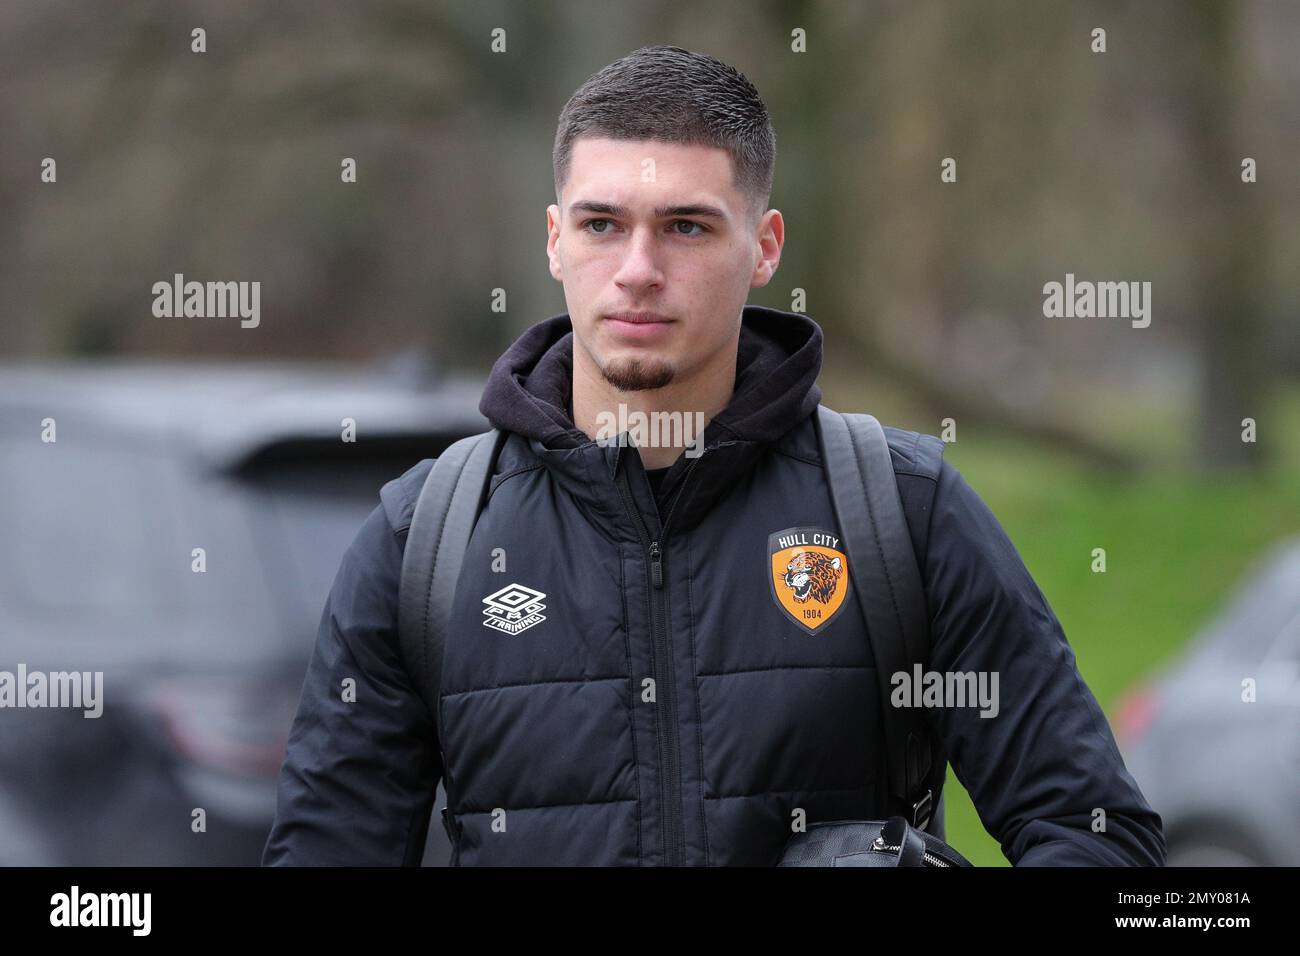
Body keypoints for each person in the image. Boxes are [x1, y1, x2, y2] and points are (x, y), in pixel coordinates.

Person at [263, 44, 1165, 867]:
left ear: (764, 247)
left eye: (686, 226)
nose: (639, 269)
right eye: (602, 224)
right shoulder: (424, 541)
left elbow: (1099, 838)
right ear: (553, 240)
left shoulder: (902, 512)